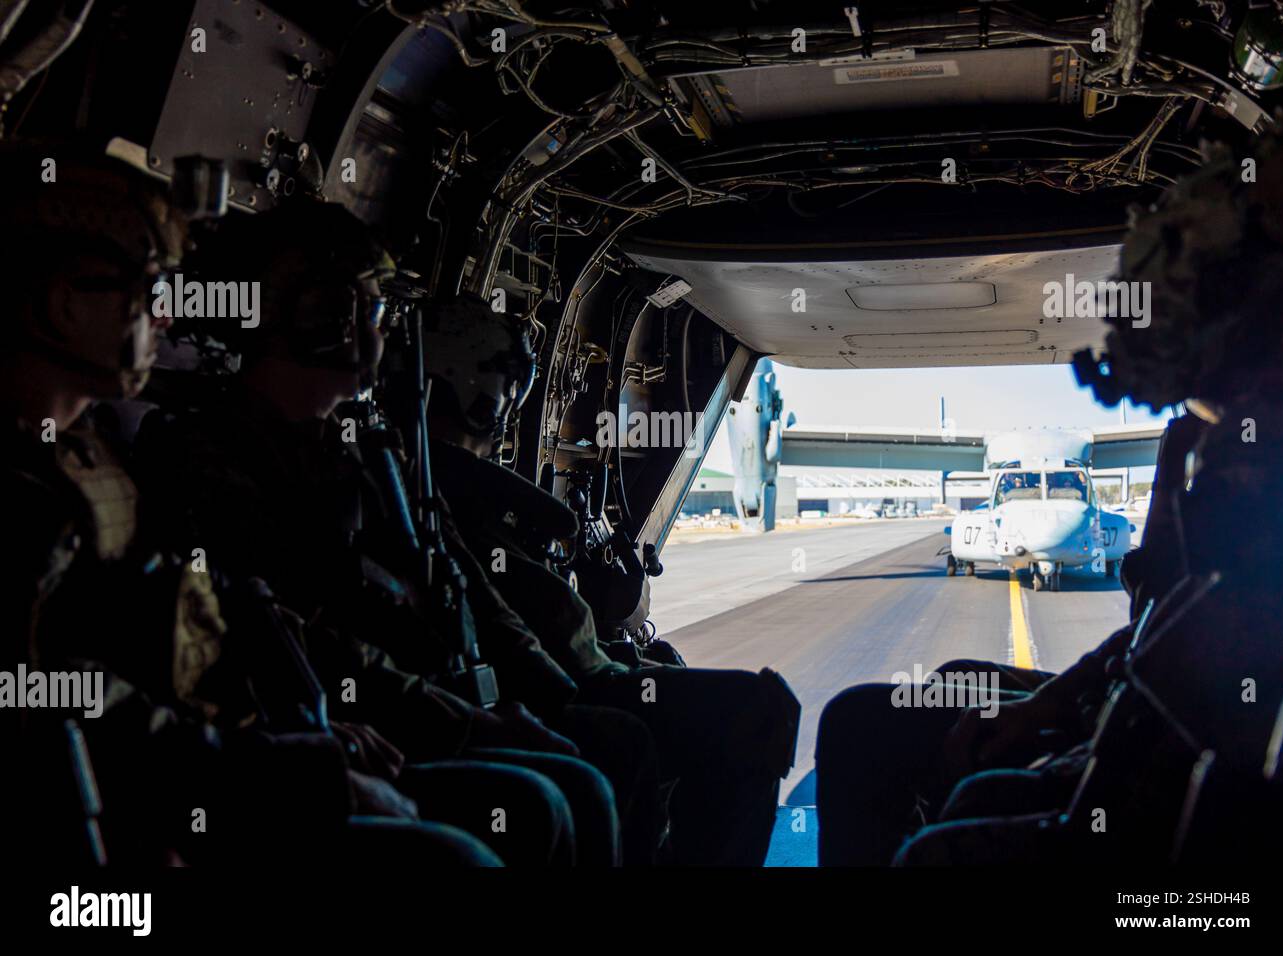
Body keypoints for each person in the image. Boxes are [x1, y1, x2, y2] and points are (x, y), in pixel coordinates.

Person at [0, 140, 500, 867]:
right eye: (145, 293)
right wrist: (293, 770)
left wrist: (298, 739)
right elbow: (46, 698)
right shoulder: (34, 485)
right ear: (61, 303)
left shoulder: (88, 454)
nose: (164, 322)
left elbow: (213, 615)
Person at [819, 115, 1283, 866]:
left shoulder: (1260, 493)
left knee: (911, 789)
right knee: (939, 695)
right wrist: (1056, 704)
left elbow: (1202, 669)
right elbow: (1161, 626)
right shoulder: (1232, 477)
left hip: (1186, 809)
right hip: (1142, 736)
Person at [137, 198, 649, 865]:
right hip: (362, 719)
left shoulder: (365, 450)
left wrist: (552, 690)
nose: (382, 340)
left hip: (422, 699)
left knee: (587, 769)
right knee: (546, 799)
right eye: (370, 314)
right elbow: (306, 630)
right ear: (320, 321)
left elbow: (460, 577)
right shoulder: (209, 461)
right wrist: (464, 720)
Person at [421, 295, 804, 866]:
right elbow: (495, 619)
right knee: (759, 708)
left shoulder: (460, 489)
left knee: (674, 665)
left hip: (581, 671)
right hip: (569, 686)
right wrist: (569, 689)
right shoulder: (438, 486)